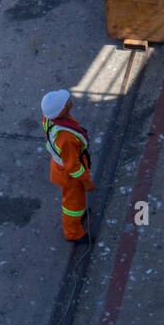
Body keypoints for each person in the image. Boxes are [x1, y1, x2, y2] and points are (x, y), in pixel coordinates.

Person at [41, 89, 94, 242]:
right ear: (63, 110)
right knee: (73, 205)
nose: (70, 99)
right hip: (69, 176)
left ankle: (79, 213)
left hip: (59, 169)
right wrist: (87, 181)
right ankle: (73, 233)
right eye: (67, 100)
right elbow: (73, 167)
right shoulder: (66, 138)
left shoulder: (50, 119)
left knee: (75, 202)